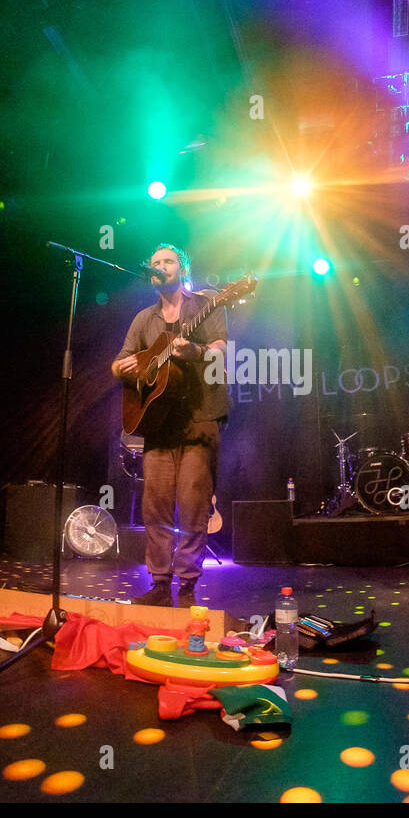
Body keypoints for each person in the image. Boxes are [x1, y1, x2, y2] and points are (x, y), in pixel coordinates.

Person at [111, 245, 228, 606]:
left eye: (168, 262)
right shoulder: (143, 319)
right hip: (159, 425)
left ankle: (188, 585)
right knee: (156, 507)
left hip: (200, 416)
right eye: (156, 263)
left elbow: (220, 350)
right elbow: (118, 364)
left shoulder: (206, 304)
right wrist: (127, 368)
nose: (160, 267)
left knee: (193, 505)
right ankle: (160, 585)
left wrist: (194, 351)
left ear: (183, 268)